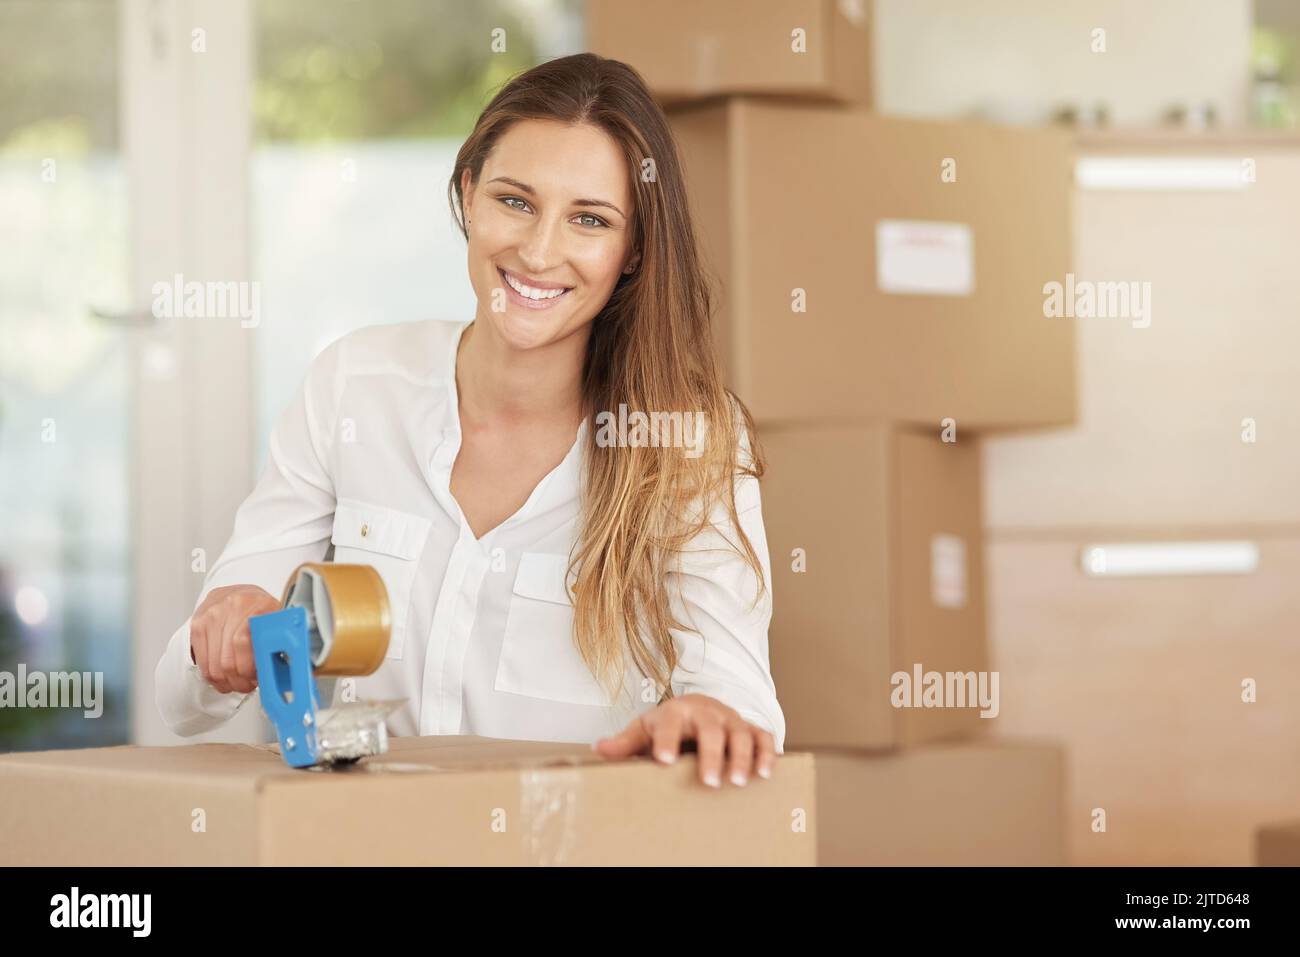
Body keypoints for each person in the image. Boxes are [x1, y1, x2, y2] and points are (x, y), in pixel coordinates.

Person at [155, 53, 785, 788]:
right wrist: (221, 633)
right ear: (468, 194)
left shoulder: (688, 444)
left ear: (634, 249)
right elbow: (182, 699)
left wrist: (709, 717)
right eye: (515, 201)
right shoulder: (354, 388)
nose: (539, 250)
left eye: (589, 219)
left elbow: (741, 701)